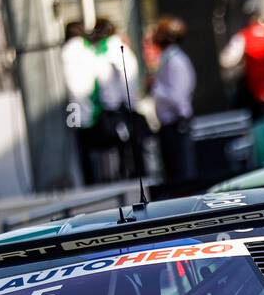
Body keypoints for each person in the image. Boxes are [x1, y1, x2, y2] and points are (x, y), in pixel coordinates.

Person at [92, 18, 143, 182]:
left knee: (125, 141)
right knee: (122, 142)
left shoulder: (111, 47)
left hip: (119, 104)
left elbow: (124, 75)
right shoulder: (107, 48)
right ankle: (127, 171)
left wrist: (126, 100)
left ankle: (130, 172)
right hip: (118, 103)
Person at [150, 17, 197, 186]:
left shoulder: (176, 61)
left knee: (181, 174)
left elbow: (178, 96)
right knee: (171, 172)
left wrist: (156, 90)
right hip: (169, 124)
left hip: (177, 123)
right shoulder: (167, 59)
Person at [61, 21, 103, 185]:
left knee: (79, 147)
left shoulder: (64, 52)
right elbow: (98, 77)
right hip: (90, 104)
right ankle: (95, 179)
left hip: (72, 107)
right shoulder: (87, 50)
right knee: (92, 147)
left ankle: (85, 180)